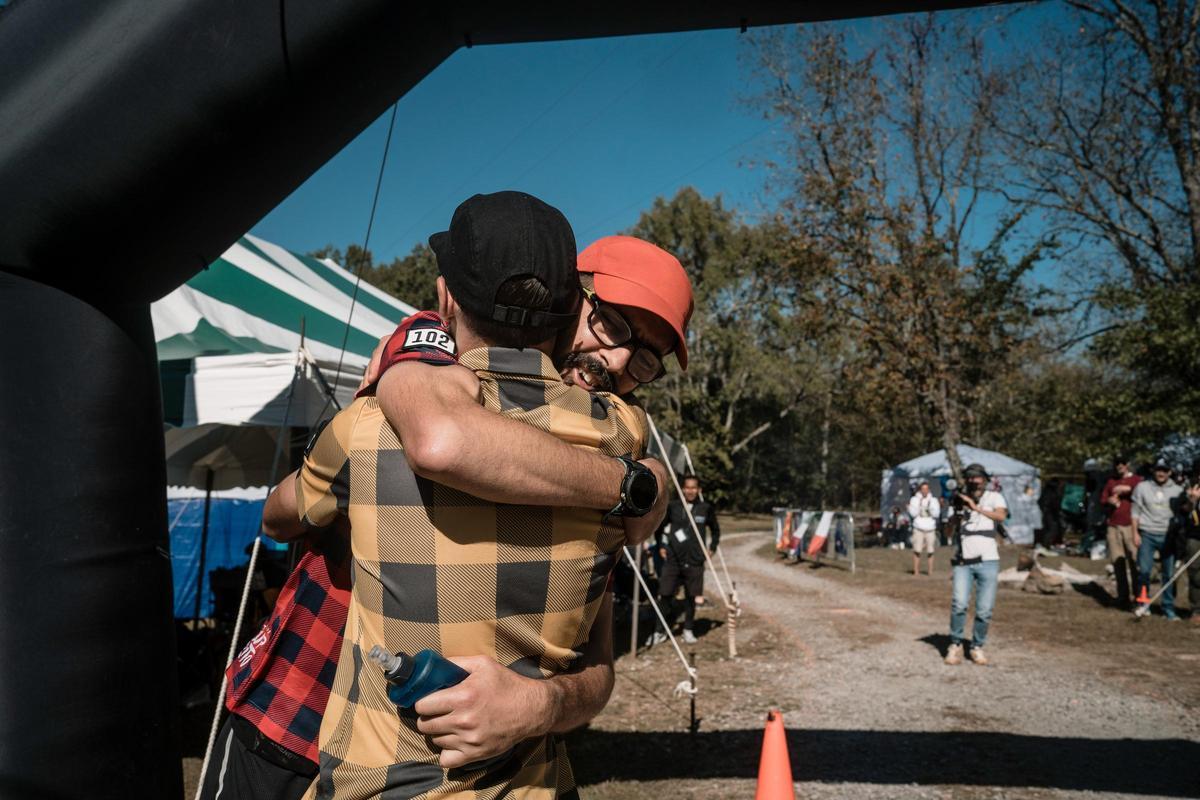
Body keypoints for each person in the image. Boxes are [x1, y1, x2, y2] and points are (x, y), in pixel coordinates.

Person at [268, 192, 675, 800]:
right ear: (571, 304)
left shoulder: (382, 419)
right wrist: (632, 484)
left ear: (446, 298)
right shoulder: (623, 453)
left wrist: (540, 704)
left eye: (644, 360)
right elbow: (443, 438)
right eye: (611, 325)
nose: (614, 360)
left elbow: (598, 671)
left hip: (382, 773)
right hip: (516, 778)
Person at [944, 463, 1007, 667]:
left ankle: (977, 645)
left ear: (985, 480)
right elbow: (946, 533)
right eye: (969, 477)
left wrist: (976, 508)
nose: (973, 481)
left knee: (984, 609)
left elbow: (1001, 516)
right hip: (963, 560)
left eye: (977, 477)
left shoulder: (994, 497)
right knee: (959, 604)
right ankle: (955, 643)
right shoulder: (959, 499)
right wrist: (955, 516)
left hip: (988, 559)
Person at [649, 474, 720, 646]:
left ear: (699, 490)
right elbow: (658, 529)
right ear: (682, 489)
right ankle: (659, 631)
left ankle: (688, 629)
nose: (690, 491)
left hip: (695, 561)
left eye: (694, 488)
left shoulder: (705, 508)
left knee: (691, 597)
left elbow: (716, 530)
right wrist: (661, 547)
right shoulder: (673, 507)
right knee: (665, 595)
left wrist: (712, 548)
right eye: (687, 487)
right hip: (673, 560)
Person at [1131, 457, 1183, 619]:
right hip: (1147, 533)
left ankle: (1168, 608)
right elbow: (1135, 512)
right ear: (1153, 470)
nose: (1161, 473)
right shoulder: (1142, 487)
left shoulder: (1177, 490)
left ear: (1170, 472)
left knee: (1168, 574)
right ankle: (1143, 603)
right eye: (1158, 470)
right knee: (1144, 571)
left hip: (1168, 536)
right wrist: (1135, 533)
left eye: (1165, 470)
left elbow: (1183, 512)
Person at [1101, 455, 1142, 607]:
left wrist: (1128, 490)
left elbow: (1143, 495)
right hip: (1113, 525)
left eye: (1122, 463)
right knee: (1118, 562)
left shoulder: (1137, 480)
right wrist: (1109, 501)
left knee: (1134, 561)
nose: (1119, 466)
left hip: (1131, 525)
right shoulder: (1111, 482)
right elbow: (1103, 500)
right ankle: (1122, 596)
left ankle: (1138, 596)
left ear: (1128, 465)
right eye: (1117, 463)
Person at [1169, 483, 1200, 623]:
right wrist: (1192, 502)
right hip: (1194, 538)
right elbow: (1181, 509)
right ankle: (1196, 610)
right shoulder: (1190, 490)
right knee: (1195, 574)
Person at [907, 481, 940, 576]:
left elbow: (936, 514)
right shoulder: (914, 499)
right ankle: (916, 571)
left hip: (930, 528)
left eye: (926, 489)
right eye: (923, 489)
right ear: (920, 490)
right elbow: (913, 514)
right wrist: (919, 505)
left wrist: (929, 507)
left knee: (930, 550)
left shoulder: (933, 500)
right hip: (918, 527)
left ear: (929, 490)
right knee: (917, 550)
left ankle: (930, 571)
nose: (925, 491)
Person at [1037, 478, 1063, 550]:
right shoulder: (1052, 492)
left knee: (1048, 529)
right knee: (1052, 529)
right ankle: (1045, 545)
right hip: (1050, 513)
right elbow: (1053, 504)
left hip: (1046, 513)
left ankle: (1045, 544)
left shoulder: (1046, 491)